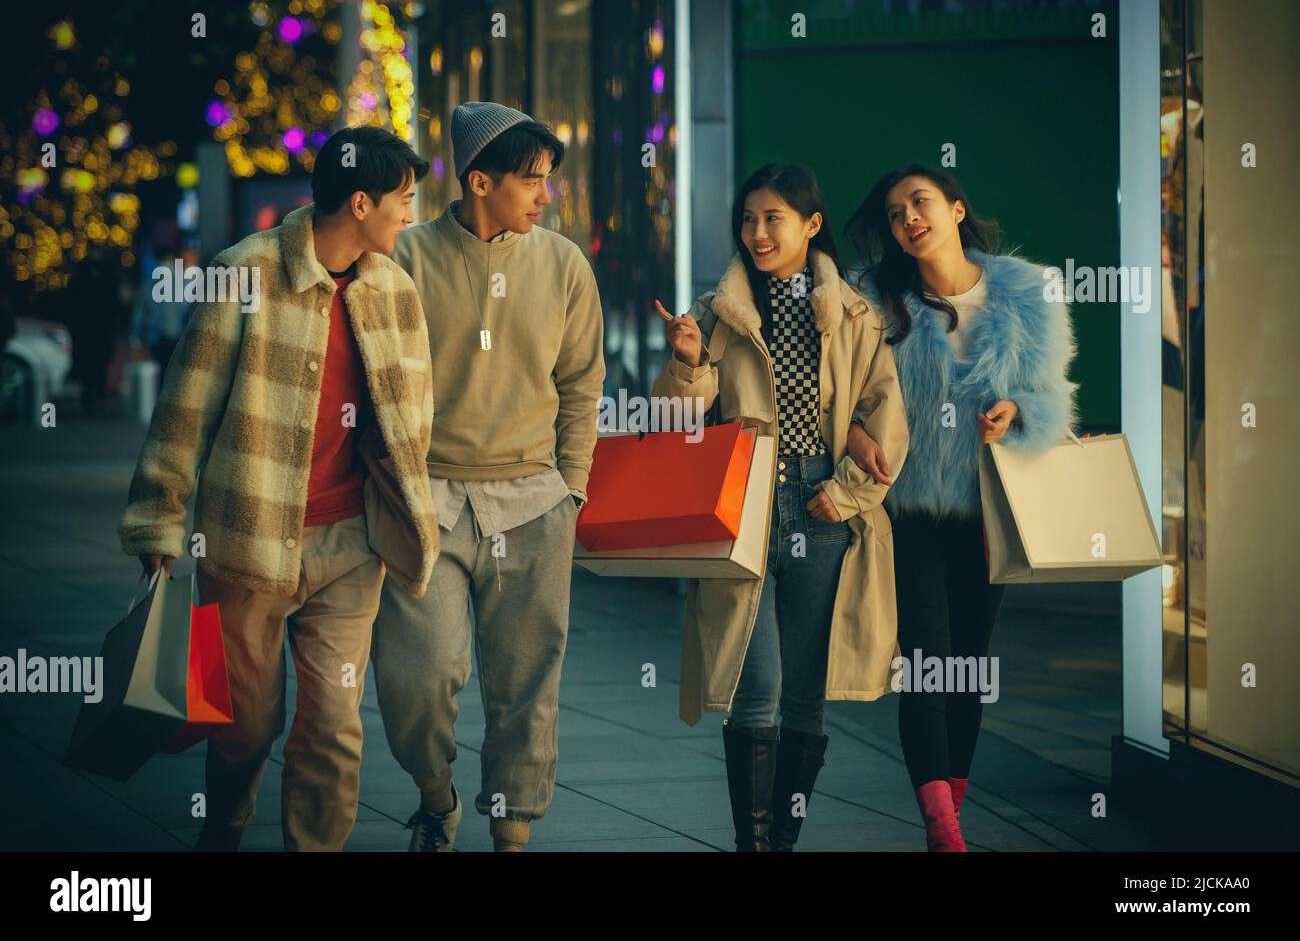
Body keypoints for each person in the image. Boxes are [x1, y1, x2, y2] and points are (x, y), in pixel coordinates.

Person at [118, 126, 439, 851]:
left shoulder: (394, 289)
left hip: (352, 545)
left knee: (332, 726)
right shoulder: (247, 273)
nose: (410, 216)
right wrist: (158, 521)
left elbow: (415, 414)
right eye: (403, 201)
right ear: (361, 202)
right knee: (243, 726)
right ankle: (225, 829)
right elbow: (184, 408)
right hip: (248, 538)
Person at [652, 163, 908, 851]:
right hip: (744, 508)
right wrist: (685, 363)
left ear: (811, 225)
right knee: (753, 680)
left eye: (774, 219)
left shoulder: (856, 314)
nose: (758, 233)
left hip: (822, 507)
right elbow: (678, 422)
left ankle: (778, 844)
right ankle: (753, 846)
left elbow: (886, 418)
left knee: (805, 692)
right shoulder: (718, 311)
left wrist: (846, 492)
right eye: (748, 219)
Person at [372, 101, 606, 853]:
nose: (547, 197)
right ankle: (435, 797)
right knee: (419, 677)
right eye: (532, 181)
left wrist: (571, 487)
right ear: (479, 180)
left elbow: (582, 384)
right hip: (427, 502)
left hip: (534, 500)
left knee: (526, 689)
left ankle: (513, 837)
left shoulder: (564, 264)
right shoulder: (404, 260)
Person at [843, 164, 1076, 851]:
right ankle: (941, 827)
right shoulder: (873, 300)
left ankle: (954, 805)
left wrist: (1020, 411)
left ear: (955, 209)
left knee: (968, 663)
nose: (907, 218)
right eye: (893, 213)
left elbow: (1053, 394)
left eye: (919, 203)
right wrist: (853, 431)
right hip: (907, 506)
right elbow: (841, 394)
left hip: (988, 507)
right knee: (927, 660)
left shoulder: (1026, 293)